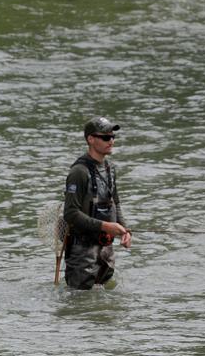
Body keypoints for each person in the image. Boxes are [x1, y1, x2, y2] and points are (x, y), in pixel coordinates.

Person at [62, 116, 133, 289]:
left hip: (105, 249)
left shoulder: (110, 169)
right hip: (81, 253)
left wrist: (125, 229)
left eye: (113, 137)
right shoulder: (78, 172)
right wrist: (106, 226)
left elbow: (115, 201)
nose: (111, 141)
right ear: (91, 139)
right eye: (106, 137)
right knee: (79, 305)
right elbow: (70, 213)